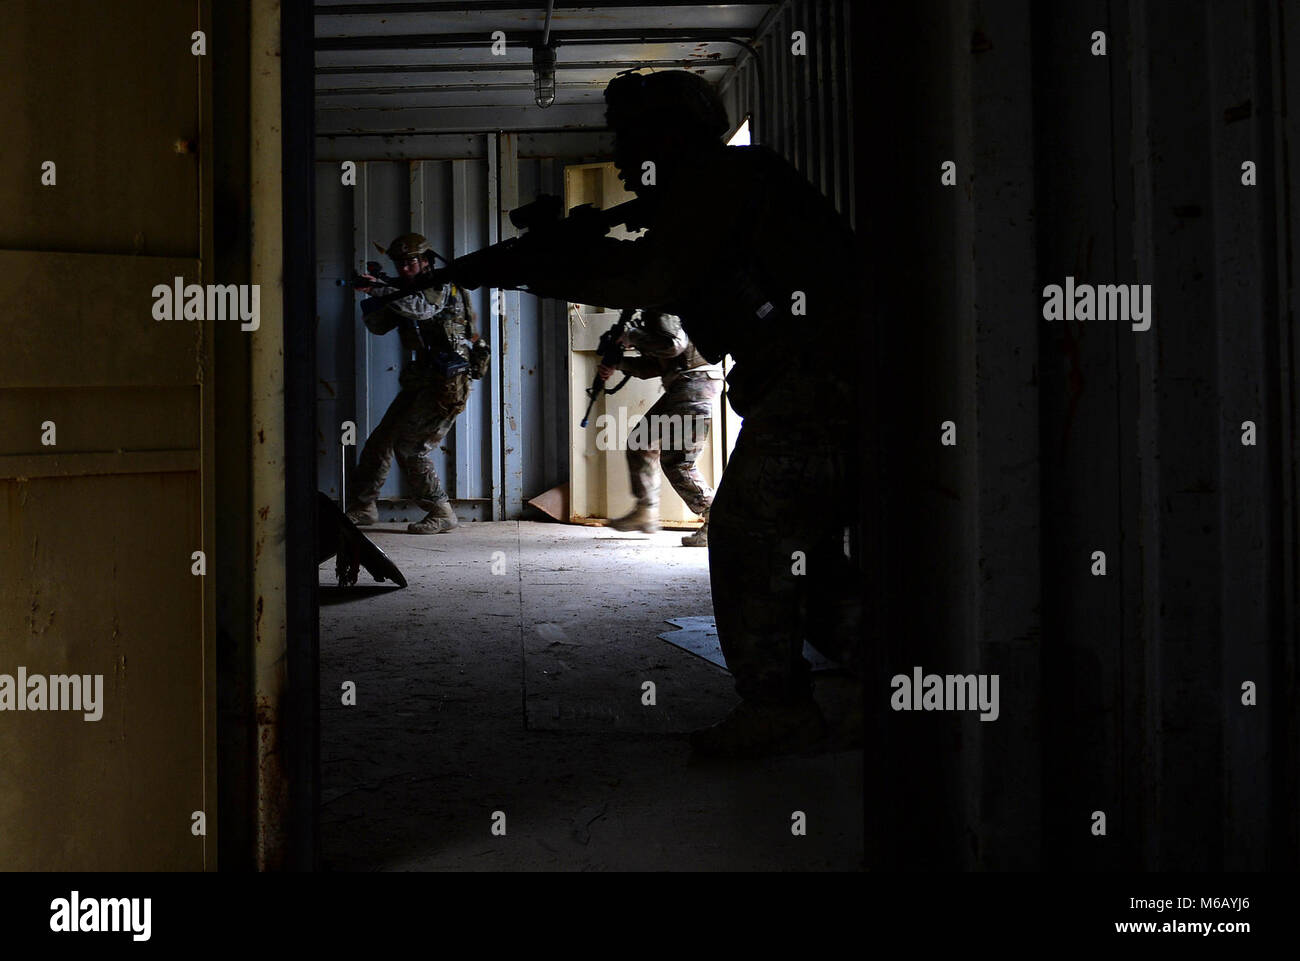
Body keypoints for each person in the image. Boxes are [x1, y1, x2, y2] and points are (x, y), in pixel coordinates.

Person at [452, 70, 865, 757]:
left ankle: (778, 708)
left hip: (821, 379)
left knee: (749, 534)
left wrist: (546, 264)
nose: (617, 155)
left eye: (629, 136)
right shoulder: (717, 187)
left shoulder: (723, 181)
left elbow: (654, 277)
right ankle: (890, 679)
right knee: (804, 554)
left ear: (669, 137)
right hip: (816, 379)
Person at [346, 233, 490, 534]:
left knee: (411, 448)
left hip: (448, 382)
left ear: (425, 261)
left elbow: (422, 309)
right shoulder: (406, 291)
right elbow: (380, 326)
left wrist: (380, 287)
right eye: (400, 263)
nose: (405, 268)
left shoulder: (440, 284)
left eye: (410, 262)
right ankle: (363, 507)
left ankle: (441, 511)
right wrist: (375, 296)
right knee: (380, 442)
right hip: (423, 379)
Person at [597, 310, 722, 546]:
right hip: (685, 385)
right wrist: (619, 363)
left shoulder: (662, 307)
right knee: (640, 442)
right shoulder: (655, 311)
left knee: (678, 462)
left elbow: (673, 345)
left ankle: (716, 518)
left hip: (694, 385)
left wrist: (631, 336)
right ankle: (646, 511)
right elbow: (656, 366)